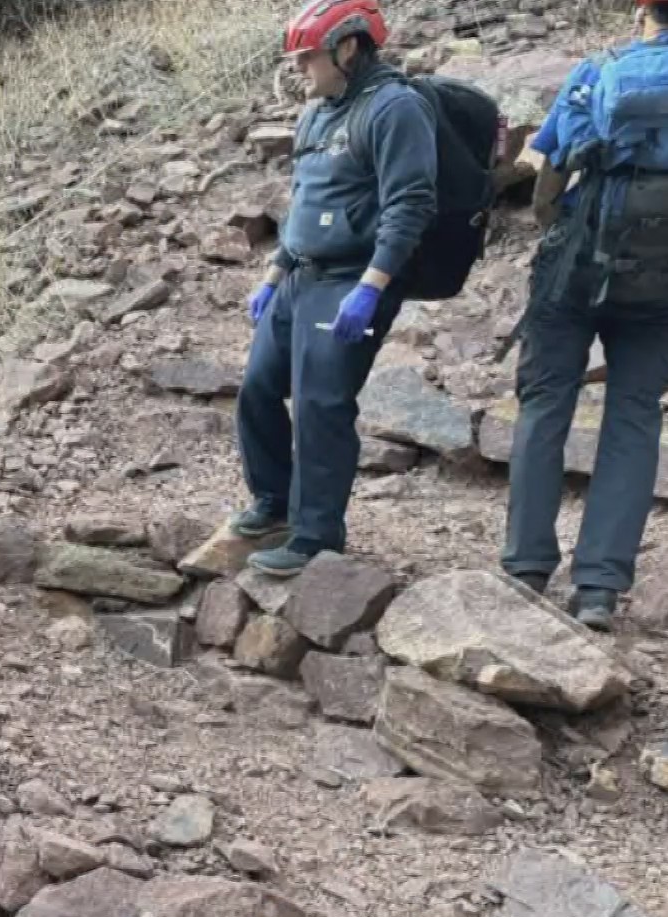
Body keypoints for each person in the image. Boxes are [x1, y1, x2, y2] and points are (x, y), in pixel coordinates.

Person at [499, 0, 668, 630]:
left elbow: (545, 162)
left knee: (545, 404)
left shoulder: (598, 68)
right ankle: (599, 591)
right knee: (634, 421)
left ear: (643, 11)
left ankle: (526, 570)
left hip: (575, 271)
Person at [233, 0, 438, 577]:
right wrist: (274, 274)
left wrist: (373, 286)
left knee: (322, 403)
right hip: (300, 276)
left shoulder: (396, 109)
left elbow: (410, 204)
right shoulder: (318, 113)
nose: (301, 70)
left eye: (308, 58)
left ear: (348, 48)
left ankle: (316, 535)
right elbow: (306, 200)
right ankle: (274, 501)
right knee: (258, 388)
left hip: (353, 280)